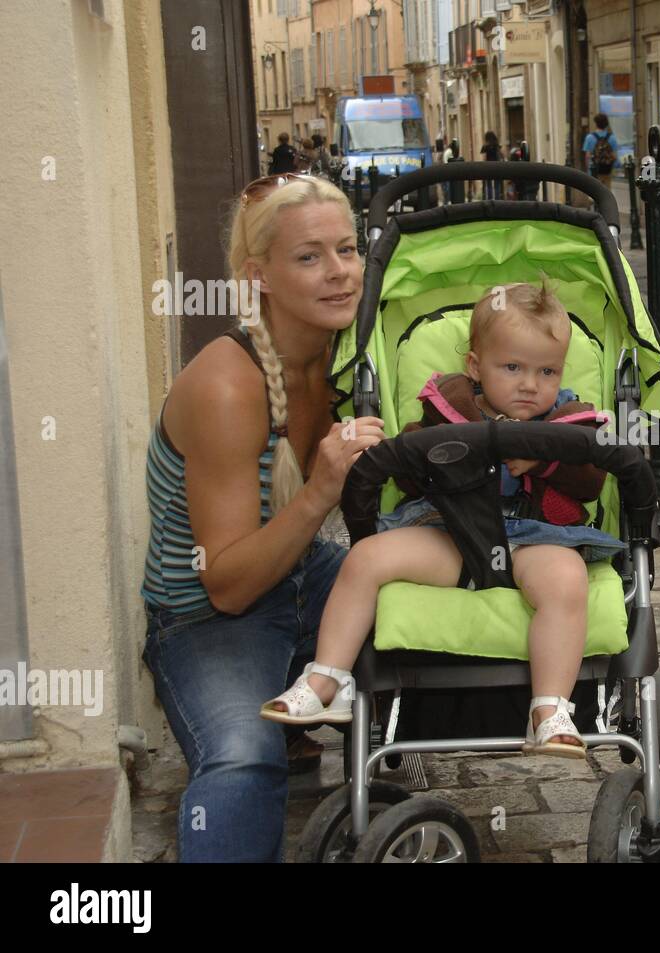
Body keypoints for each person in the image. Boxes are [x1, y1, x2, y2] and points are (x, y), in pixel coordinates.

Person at [260, 282, 625, 759]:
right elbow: (409, 470)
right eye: (512, 368)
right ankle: (328, 678)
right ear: (475, 367)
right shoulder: (448, 406)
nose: (530, 384)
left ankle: (549, 710)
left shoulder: (569, 420)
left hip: (535, 538)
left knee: (568, 579)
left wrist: (547, 459)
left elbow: (591, 482)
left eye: (547, 371)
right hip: (450, 531)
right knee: (367, 556)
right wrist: (453, 452)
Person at [140, 172, 387, 861]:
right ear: (260, 277)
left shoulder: (352, 357)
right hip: (207, 612)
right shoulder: (227, 383)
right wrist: (320, 490)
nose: (339, 273)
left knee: (443, 608)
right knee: (244, 753)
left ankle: (393, 766)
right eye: (309, 257)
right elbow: (227, 584)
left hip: (303, 575)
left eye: (347, 249)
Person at [582, 113, 619, 188]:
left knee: (594, 191)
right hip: (607, 170)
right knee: (607, 191)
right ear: (606, 124)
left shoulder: (589, 137)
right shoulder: (612, 138)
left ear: (596, 123)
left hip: (594, 170)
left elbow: (587, 156)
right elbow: (614, 156)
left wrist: (588, 168)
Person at [480, 130, 503, 199]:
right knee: (497, 184)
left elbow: (484, 157)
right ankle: (497, 199)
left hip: (488, 167)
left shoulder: (485, 147)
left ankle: (490, 199)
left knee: (488, 184)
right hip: (496, 166)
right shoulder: (497, 145)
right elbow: (500, 155)